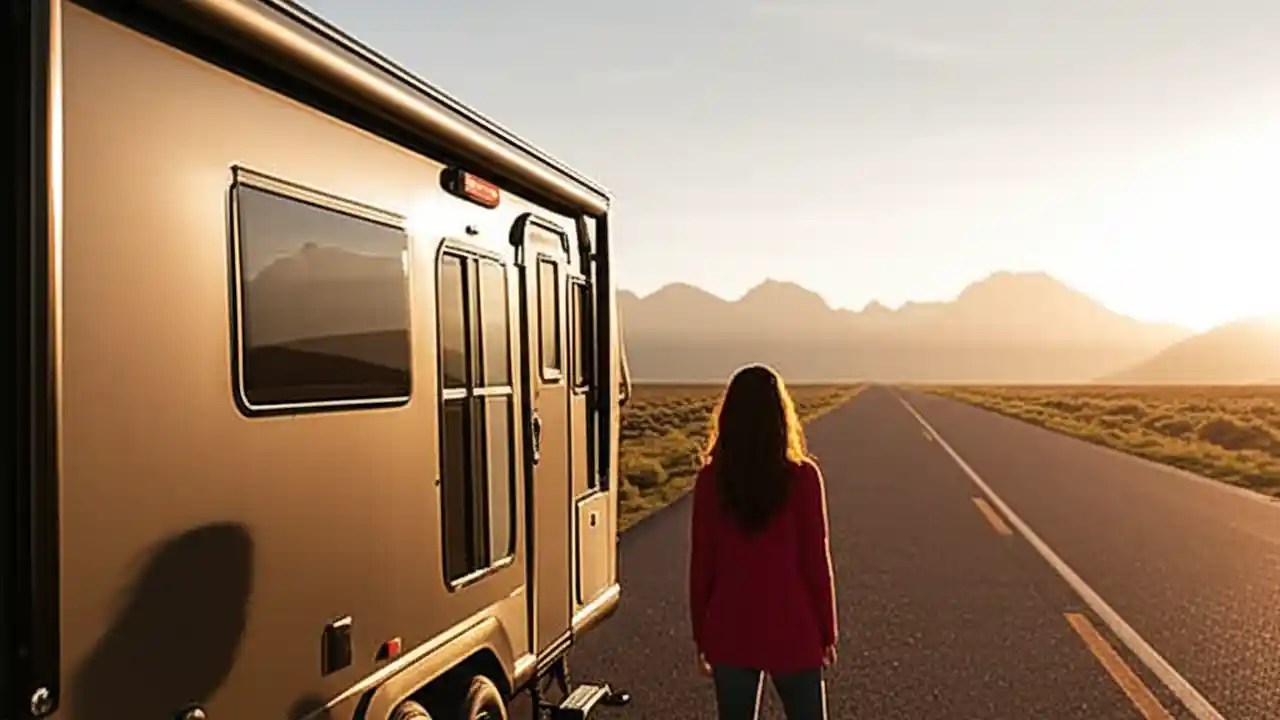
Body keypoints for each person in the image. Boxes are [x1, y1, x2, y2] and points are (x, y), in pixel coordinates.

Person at [689, 364, 838, 720]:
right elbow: (816, 562)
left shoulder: (712, 481)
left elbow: (702, 566)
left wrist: (701, 635)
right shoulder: (802, 479)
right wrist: (827, 630)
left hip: (731, 628)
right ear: (780, 417)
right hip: (794, 628)